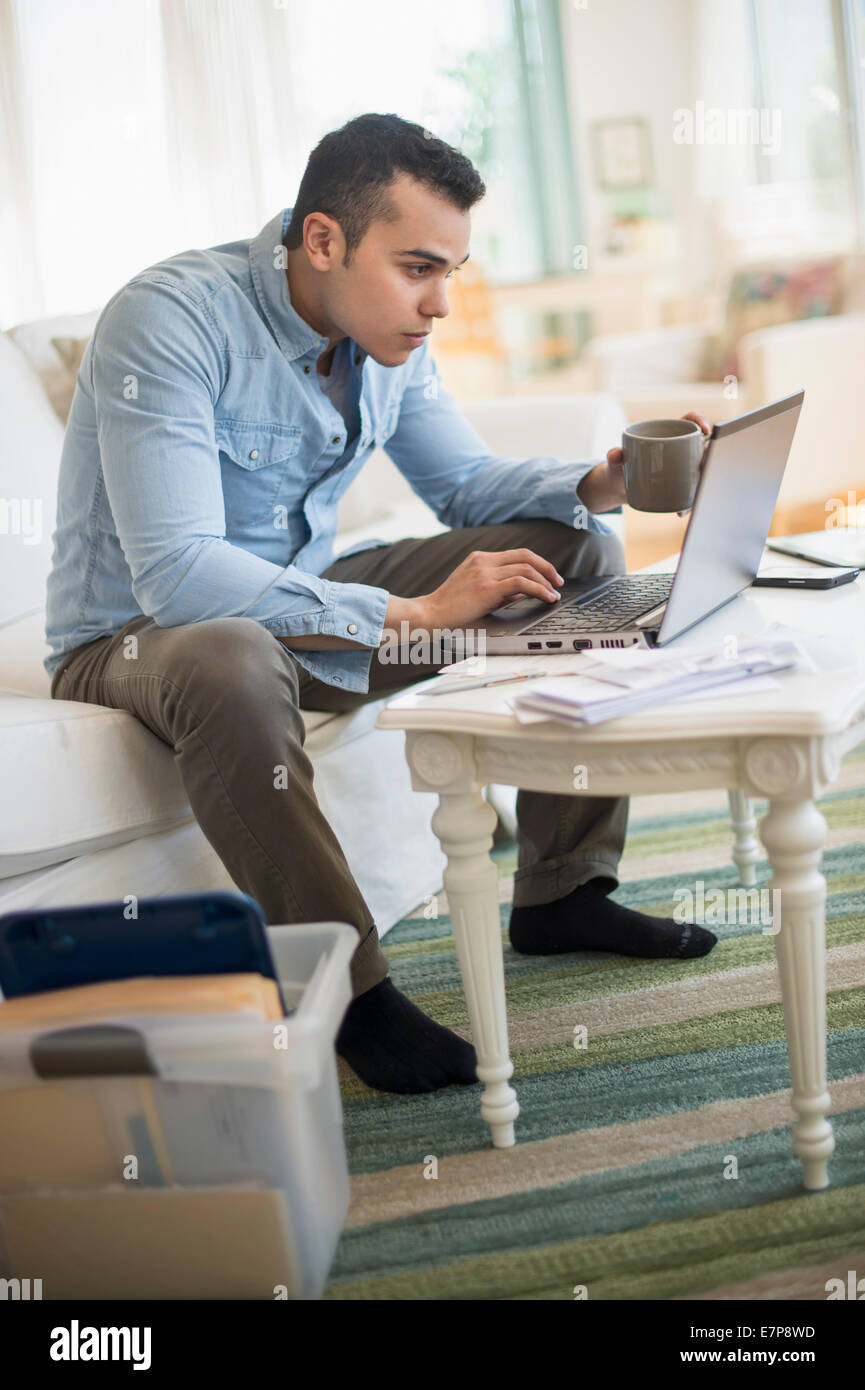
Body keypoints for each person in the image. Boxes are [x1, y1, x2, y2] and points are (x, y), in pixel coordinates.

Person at [44, 113, 717, 1097]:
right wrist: (415, 613)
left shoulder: (383, 334)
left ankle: (564, 889)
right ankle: (356, 999)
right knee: (231, 651)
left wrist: (595, 484)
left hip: (310, 609)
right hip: (137, 641)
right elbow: (179, 577)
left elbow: (468, 489)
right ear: (323, 240)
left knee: (573, 547)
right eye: (417, 267)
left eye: (450, 269)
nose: (440, 301)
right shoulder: (172, 319)